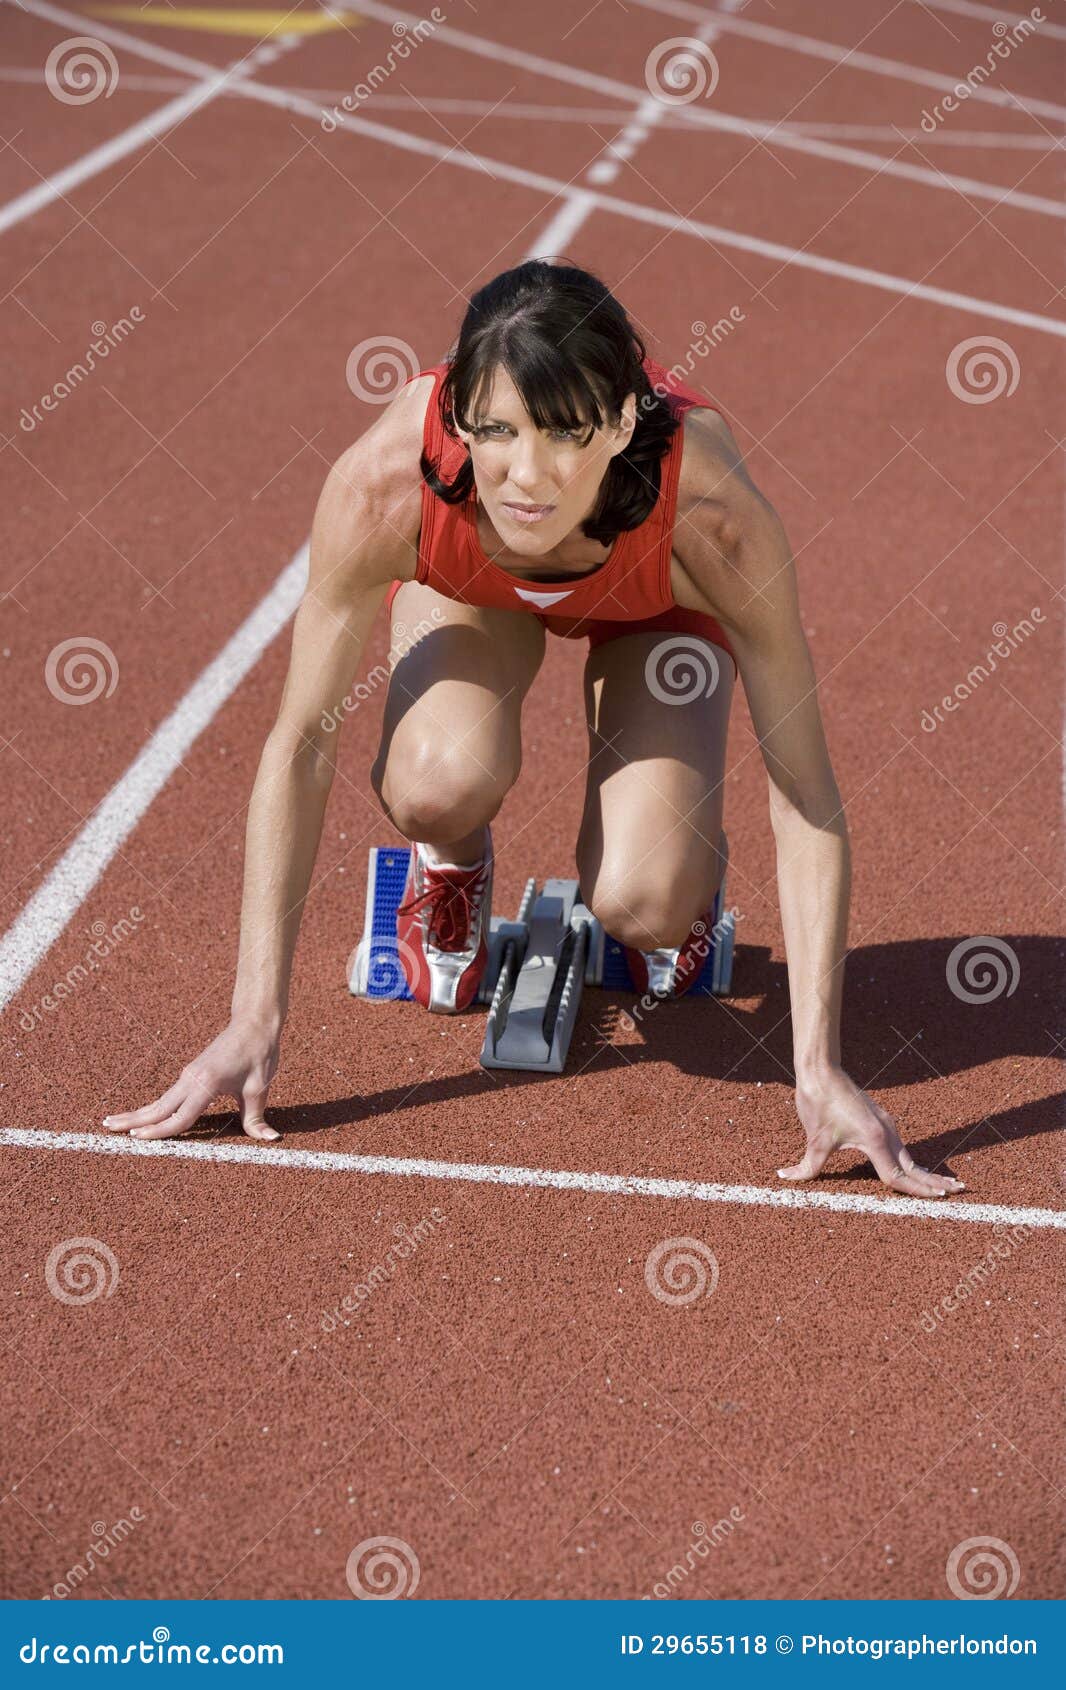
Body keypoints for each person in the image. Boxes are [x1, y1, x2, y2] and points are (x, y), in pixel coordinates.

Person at [103, 260, 963, 1200]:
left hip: (656, 605)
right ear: (459, 413)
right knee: (434, 782)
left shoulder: (712, 520)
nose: (527, 474)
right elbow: (302, 739)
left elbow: (804, 788)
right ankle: (452, 867)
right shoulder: (386, 488)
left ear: (625, 421)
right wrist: (251, 1019)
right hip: (470, 588)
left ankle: (685, 877)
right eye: (499, 430)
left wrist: (817, 1067)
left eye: (566, 433)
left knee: (645, 907)